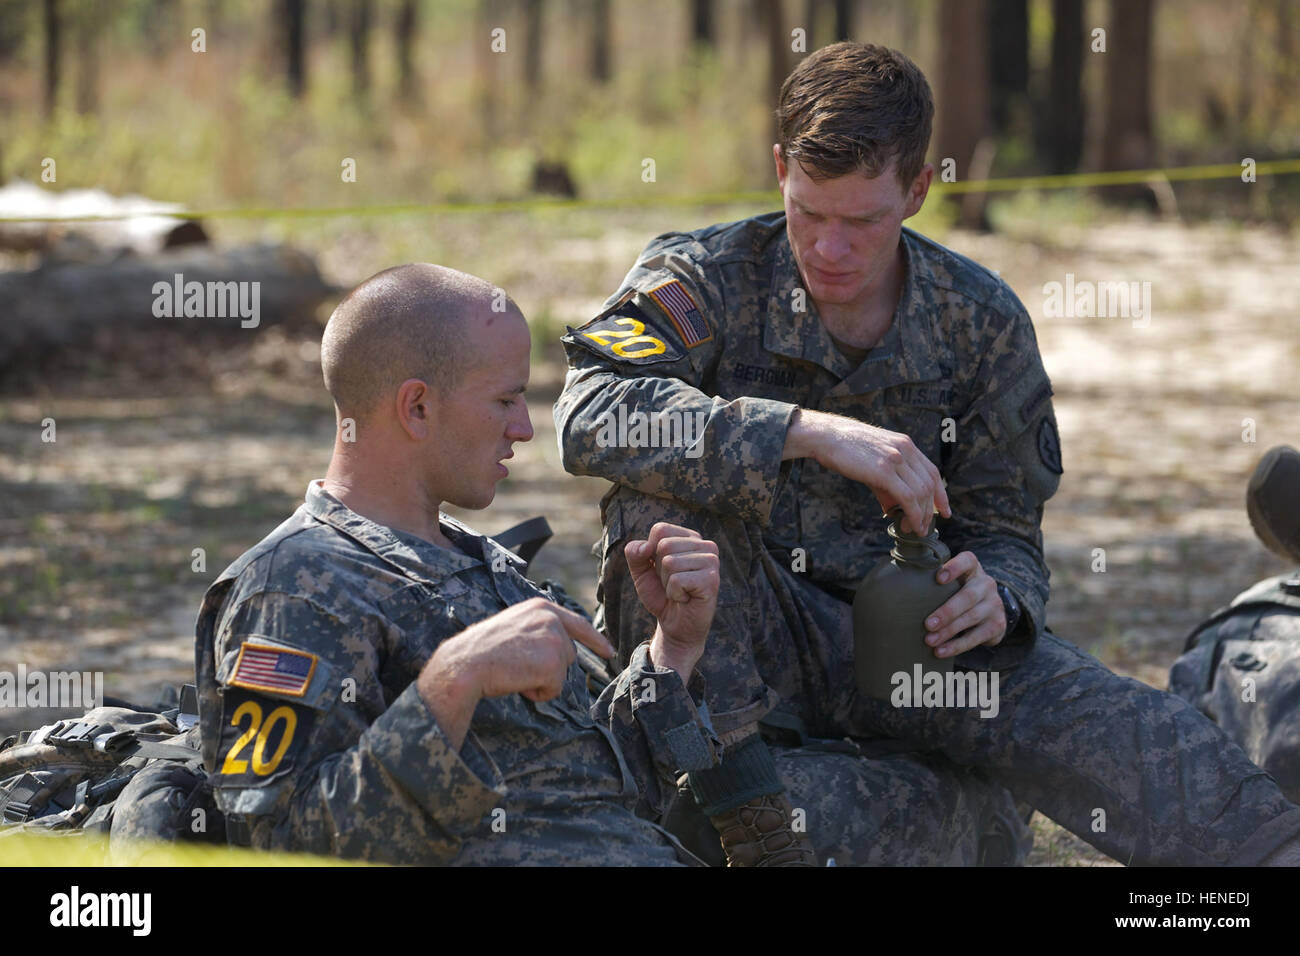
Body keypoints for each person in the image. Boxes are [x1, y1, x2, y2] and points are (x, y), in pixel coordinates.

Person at [553, 41, 1300, 865]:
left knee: (1124, 727)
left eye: (861, 222)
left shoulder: (978, 320)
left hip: (916, 644)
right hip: (731, 651)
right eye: (809, 212)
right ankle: (732, 800)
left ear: (918, 190)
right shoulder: (706, 279)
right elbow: (591, 410)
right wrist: (803, 430)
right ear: (778, 171)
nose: (828, 249)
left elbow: (1009, 533)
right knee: (658, 498)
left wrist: (1000, 596)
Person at [194, 263, 727, 865]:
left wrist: (673, 650)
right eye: (505, 399)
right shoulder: (291, 589)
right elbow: (277, 846)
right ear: (417, 407)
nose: (524, 428)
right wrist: (452, 681)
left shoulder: (484, 564)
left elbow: (592, 787)